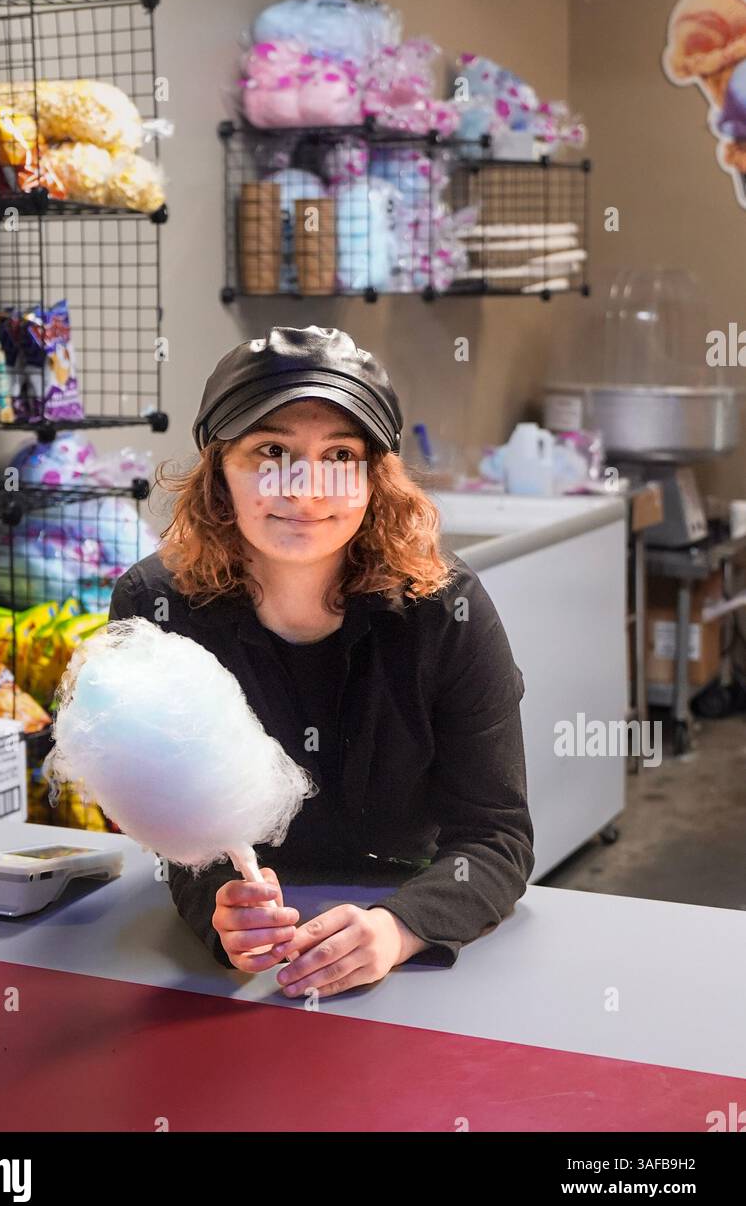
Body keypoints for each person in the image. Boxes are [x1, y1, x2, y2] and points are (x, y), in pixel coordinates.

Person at [109, 325, 533, 1000]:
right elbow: (174, 839)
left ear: (375, 479)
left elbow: (496, 837)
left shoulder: (446, 610)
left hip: (404, 934)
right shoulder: (158, 605)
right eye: (270, 452)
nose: (305, 491)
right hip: (238, 978)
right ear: (220, 470)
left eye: (340, 455)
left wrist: (398, 930)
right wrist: (223, 912)